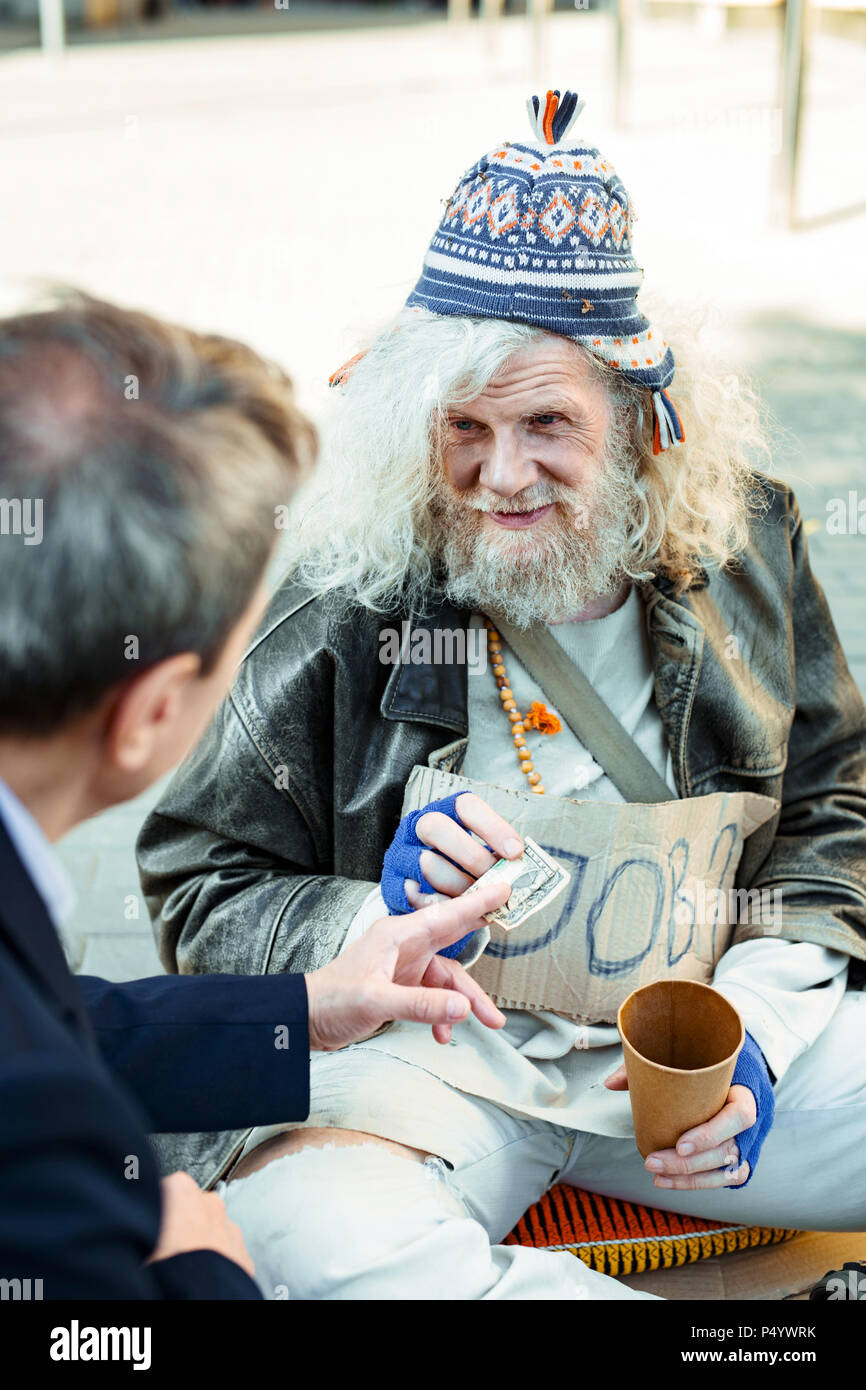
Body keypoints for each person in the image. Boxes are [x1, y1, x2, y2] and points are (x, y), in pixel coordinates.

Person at [138, 90, 866, 1300]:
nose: (500, 473)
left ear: (637, 424)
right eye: (461, 426)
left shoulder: (748, 544)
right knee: (313, 1238)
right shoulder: (348, 588)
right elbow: (194, 880)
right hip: (427, 1060)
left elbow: (831, 805)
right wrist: (361, 916)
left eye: (545, 422)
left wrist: (760, 1033)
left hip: (692, 1046)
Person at [0, 289, 513, 1300]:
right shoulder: (53, 1164)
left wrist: (309, 1007)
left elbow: (58, 1020)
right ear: (149, 711)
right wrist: (199, 1263)